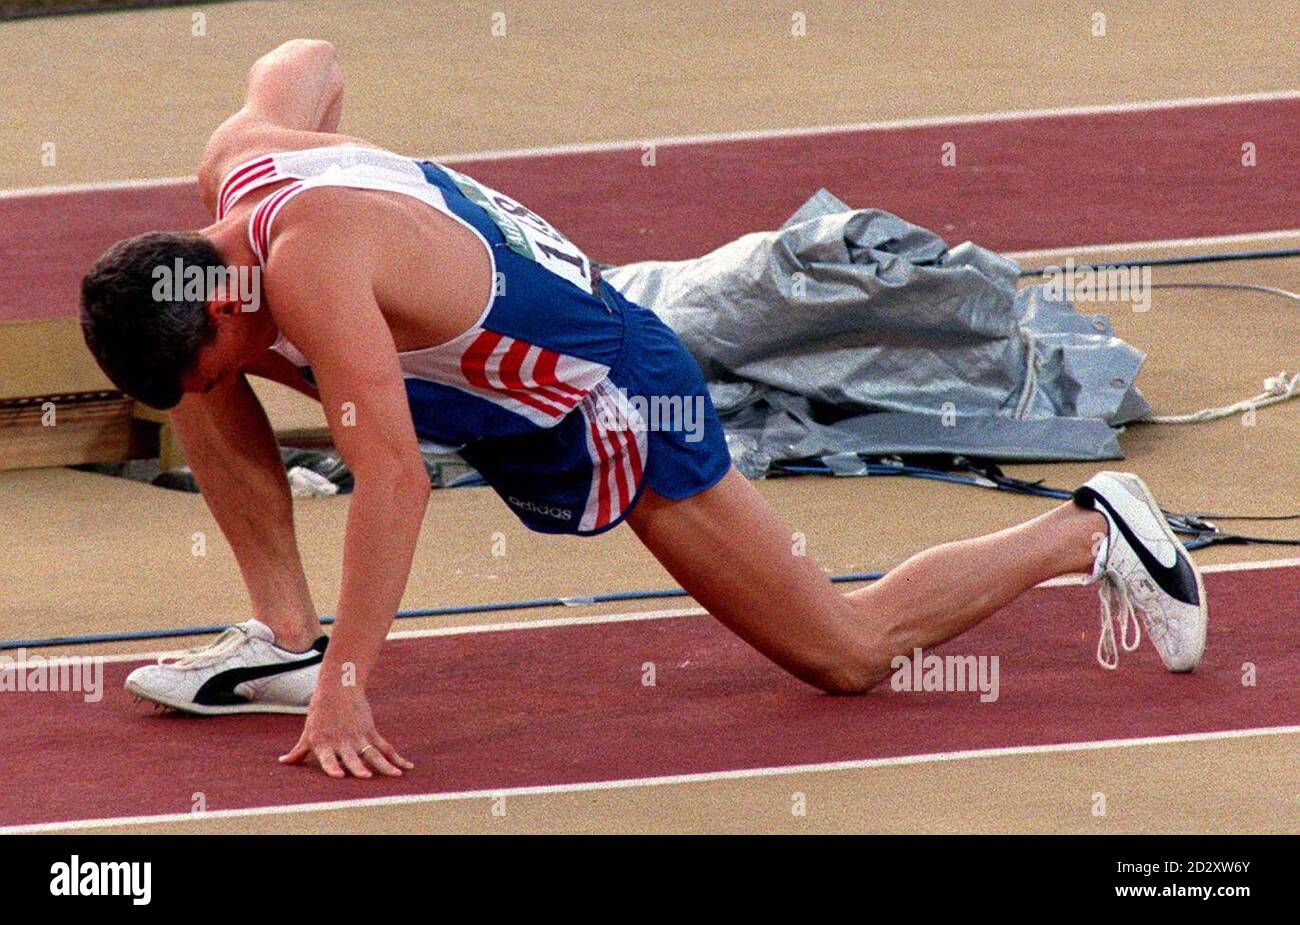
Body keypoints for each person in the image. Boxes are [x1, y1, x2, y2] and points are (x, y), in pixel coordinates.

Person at [80, 40, 1207, 781]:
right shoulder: (239, 170)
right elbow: (304, 59)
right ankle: (281, 636)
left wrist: (350, 688)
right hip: (481, 375)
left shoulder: (313, 266)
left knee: (848, 655)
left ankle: (1090, 529)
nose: (222, 377)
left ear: (220, 299)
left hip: (613, 399)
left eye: (217, 355)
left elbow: (397, 482)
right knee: (207, 392)